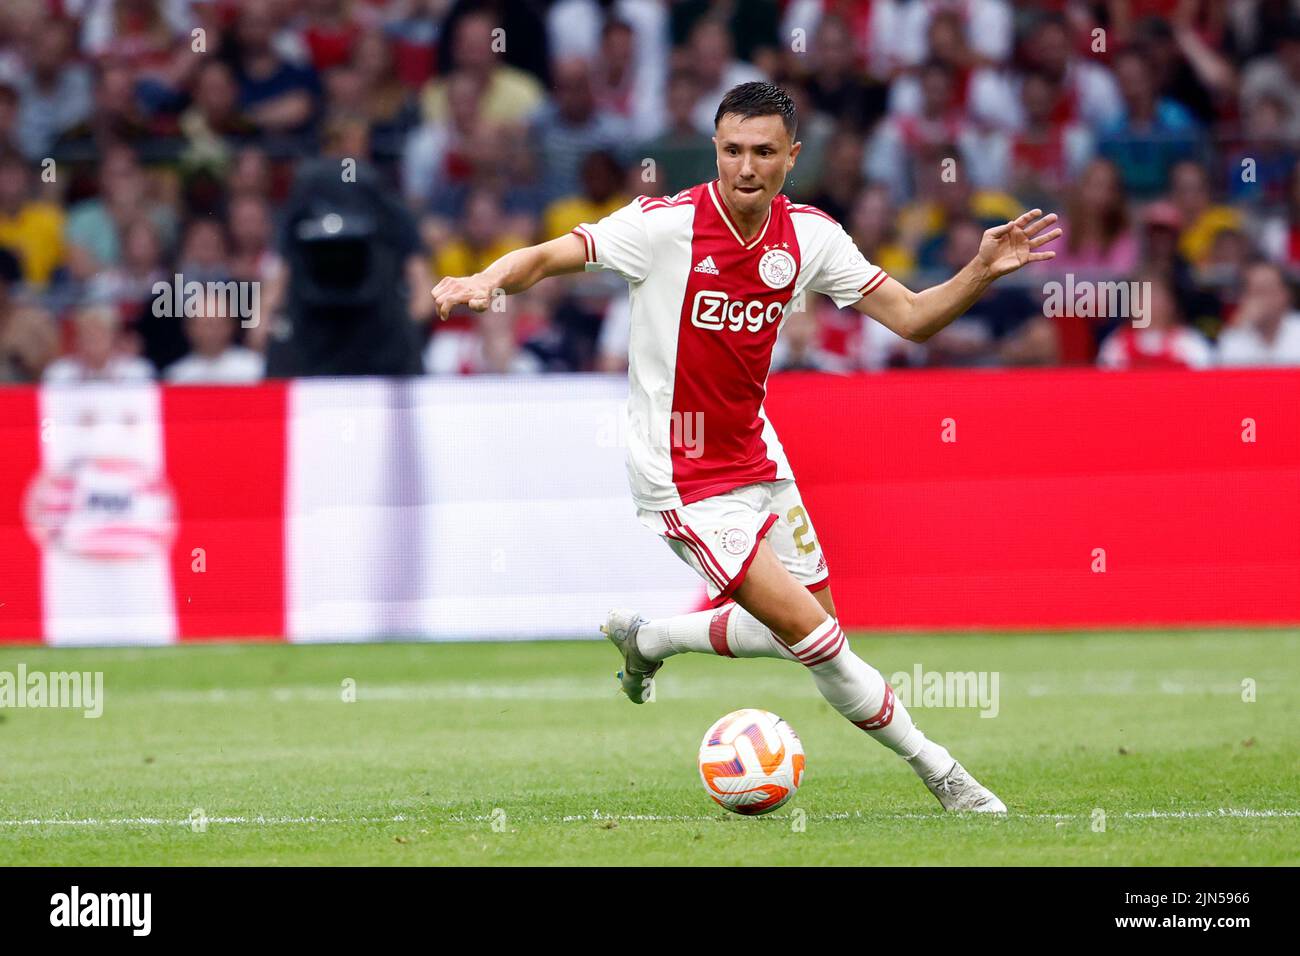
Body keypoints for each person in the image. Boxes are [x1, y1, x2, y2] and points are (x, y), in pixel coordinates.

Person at [432, 82, 1061, 813]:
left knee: (807, 629)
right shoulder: (663, 228)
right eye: (732, 150)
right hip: (681, 476)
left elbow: (915, 319)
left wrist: (979, 271)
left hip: (758, 457)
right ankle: (947, 777)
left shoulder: (812, 238)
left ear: (792, 157)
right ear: (716, 151)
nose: (746, 168)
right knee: (815, 638)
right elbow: (546, 256)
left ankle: (652, 638)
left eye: (764, 152)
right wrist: (486, 277)